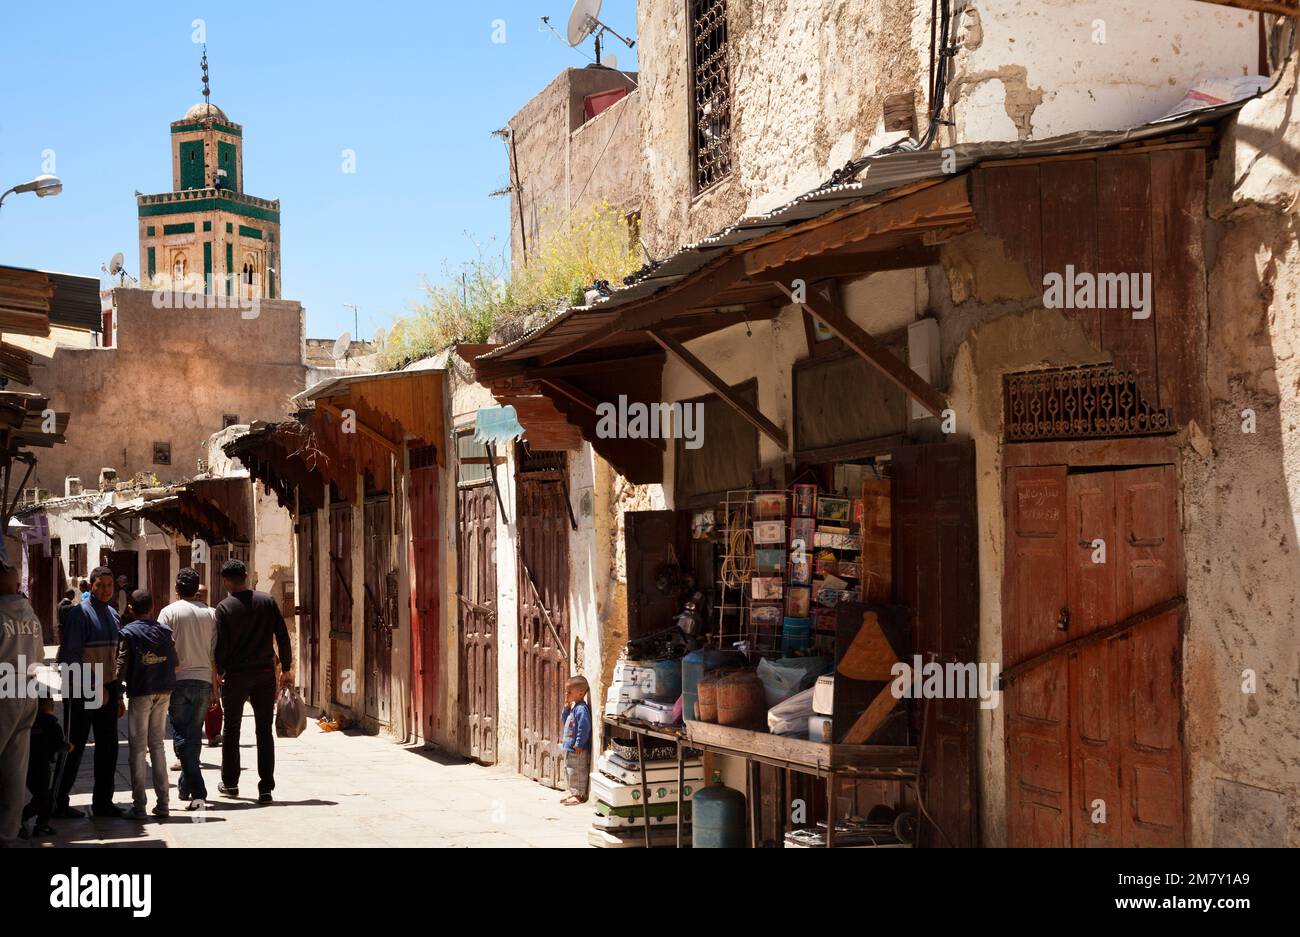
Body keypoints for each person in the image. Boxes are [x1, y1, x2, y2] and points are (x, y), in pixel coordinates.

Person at [214, 559, 291, 803]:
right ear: (246, 576)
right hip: (264, 674)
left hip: (236, 676)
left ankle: (230, 783)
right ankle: (265, 787)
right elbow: (282, 634)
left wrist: (220, 669)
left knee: (232, 730)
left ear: (226, 581)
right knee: (264, 731)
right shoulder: (266, 601)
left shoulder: (224, 607)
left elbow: (222, 645)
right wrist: (286, 667)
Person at [55, 566, 126, 819]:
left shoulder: (113, 615)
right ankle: (57, 802)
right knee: (73, 746)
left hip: (107, 689)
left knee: (109, 748)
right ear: (91, 586)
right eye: (100, 585)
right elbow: (69, 658)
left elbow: (114, 657)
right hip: (81, 690)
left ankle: (103, 803)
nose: (105, 589)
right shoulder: (79, 615)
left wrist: (116, 694)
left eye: (109, 585)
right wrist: (94, 687)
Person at [158, 568, 217, 811]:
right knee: (193, 733)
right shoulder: (212, 614)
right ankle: (186, 787)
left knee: (182, 735)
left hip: (177, 680)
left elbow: (161, 646)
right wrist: (215, 685)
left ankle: (198, 788)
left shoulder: (168, 612)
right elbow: (215, 653)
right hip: (203, 679)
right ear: (198, 590)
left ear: (176, 589)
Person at [116, 590, 177, 819]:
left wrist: (117, 693)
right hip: (163, 691)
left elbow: (121, 665)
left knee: (138, 749)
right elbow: (176, 662)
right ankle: (163, 803)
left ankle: (139, 806)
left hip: (141, 692)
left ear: (130, 608)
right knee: (158, 746)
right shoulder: (164, 631)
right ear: (152, 608)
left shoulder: (128, 633)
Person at [0, 563, 42, 847]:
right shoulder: (31, 614)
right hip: (28, 687)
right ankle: (8, 831)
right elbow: (39, 654)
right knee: (16, 767)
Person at [22, 697, 72, 837]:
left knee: (43, 796)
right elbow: (58, 745)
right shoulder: (53, 725)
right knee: (44, 798)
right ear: (52, 706)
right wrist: (67, 747)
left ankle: (39, 823)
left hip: (27, 766)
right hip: (42, 767)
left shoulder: (29, 723)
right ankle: (23, 818)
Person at [559, 675, 592, 806]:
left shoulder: (582, 709)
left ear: (580, 693)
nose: (566, 694)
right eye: (566, 691)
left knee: (578, 770)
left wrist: (579, 743)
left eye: (569, 692)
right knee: (569, 770)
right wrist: (566, 707)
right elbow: (564, 719)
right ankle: (572, 792)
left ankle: (579, 795)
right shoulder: (574, 707)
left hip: (578, 748)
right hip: (569, 747)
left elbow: (584, 727)